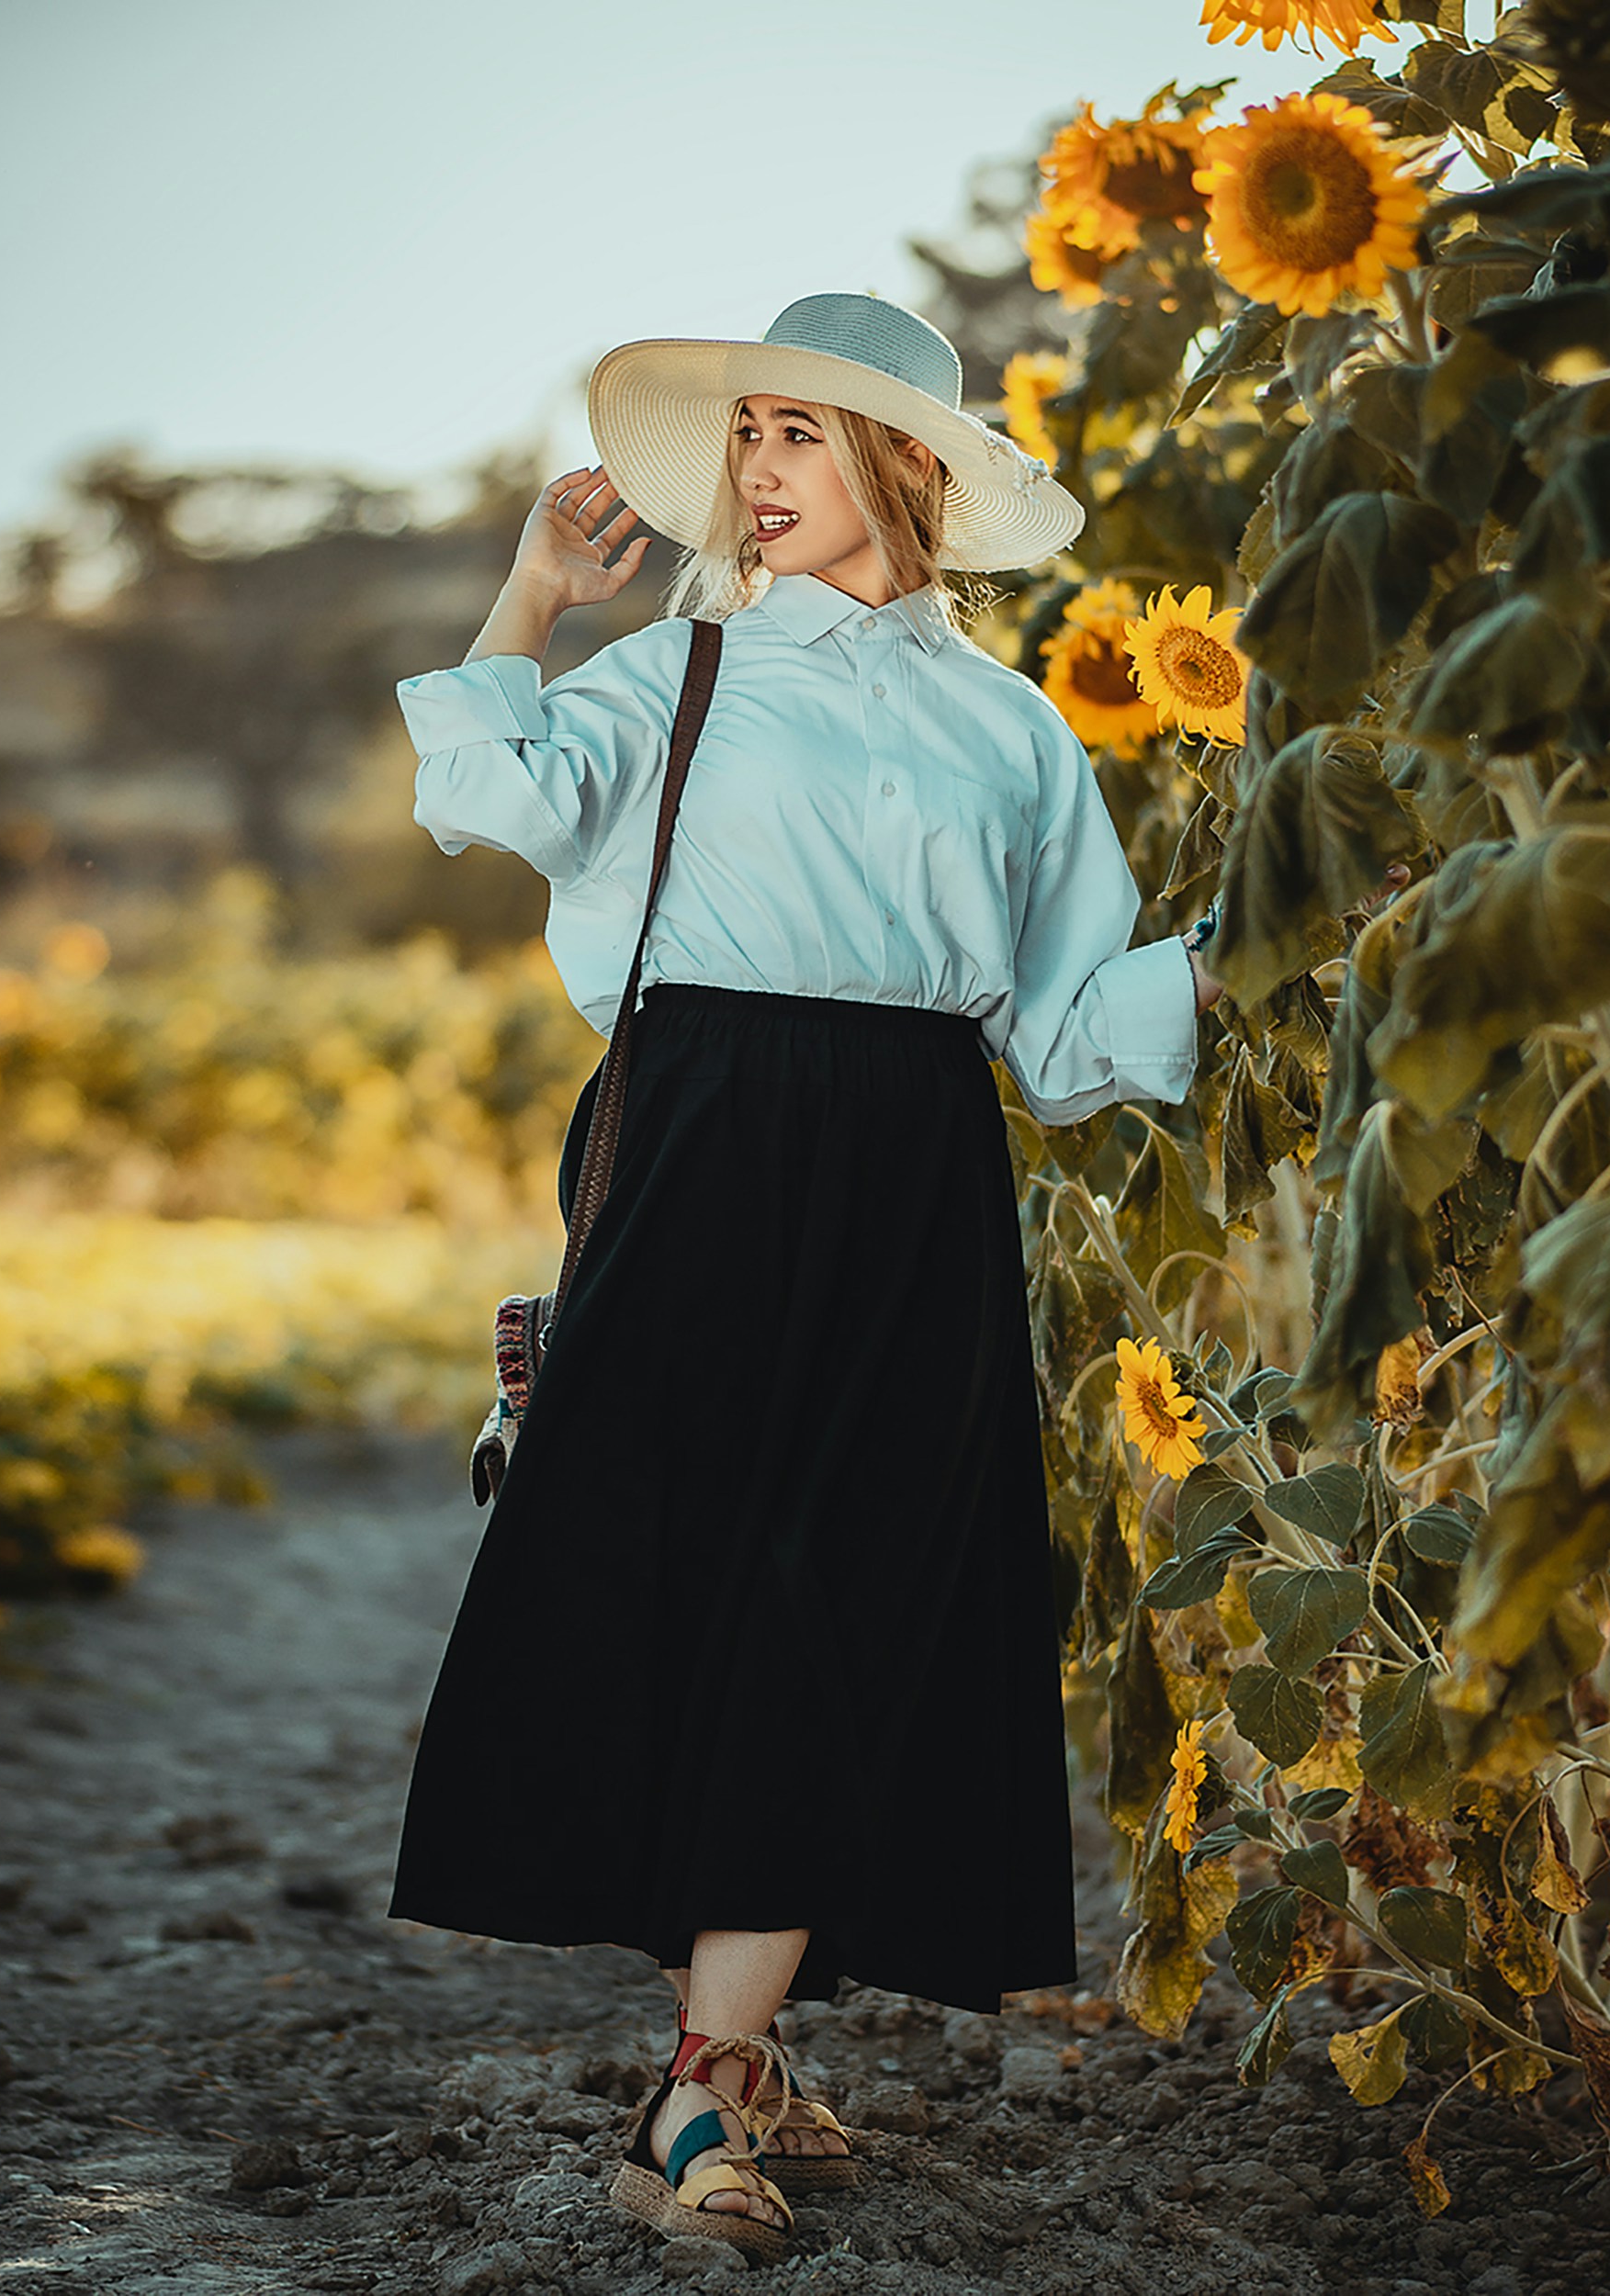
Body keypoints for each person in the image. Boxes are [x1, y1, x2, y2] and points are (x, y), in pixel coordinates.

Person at [386, 292, 1222, 2263]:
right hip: (701, 1134)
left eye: (797, 436)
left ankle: (732, 2061)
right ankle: (706, 2080)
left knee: (862, 1594)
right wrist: (528, 597)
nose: (753, 473)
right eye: (744, 433)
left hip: (922, 1156)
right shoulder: (675, 675)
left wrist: (1268, 918)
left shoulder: (1011, 727)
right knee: (729, 1588)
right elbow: (480, 793)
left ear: (902, 470)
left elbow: (1070, 1027)